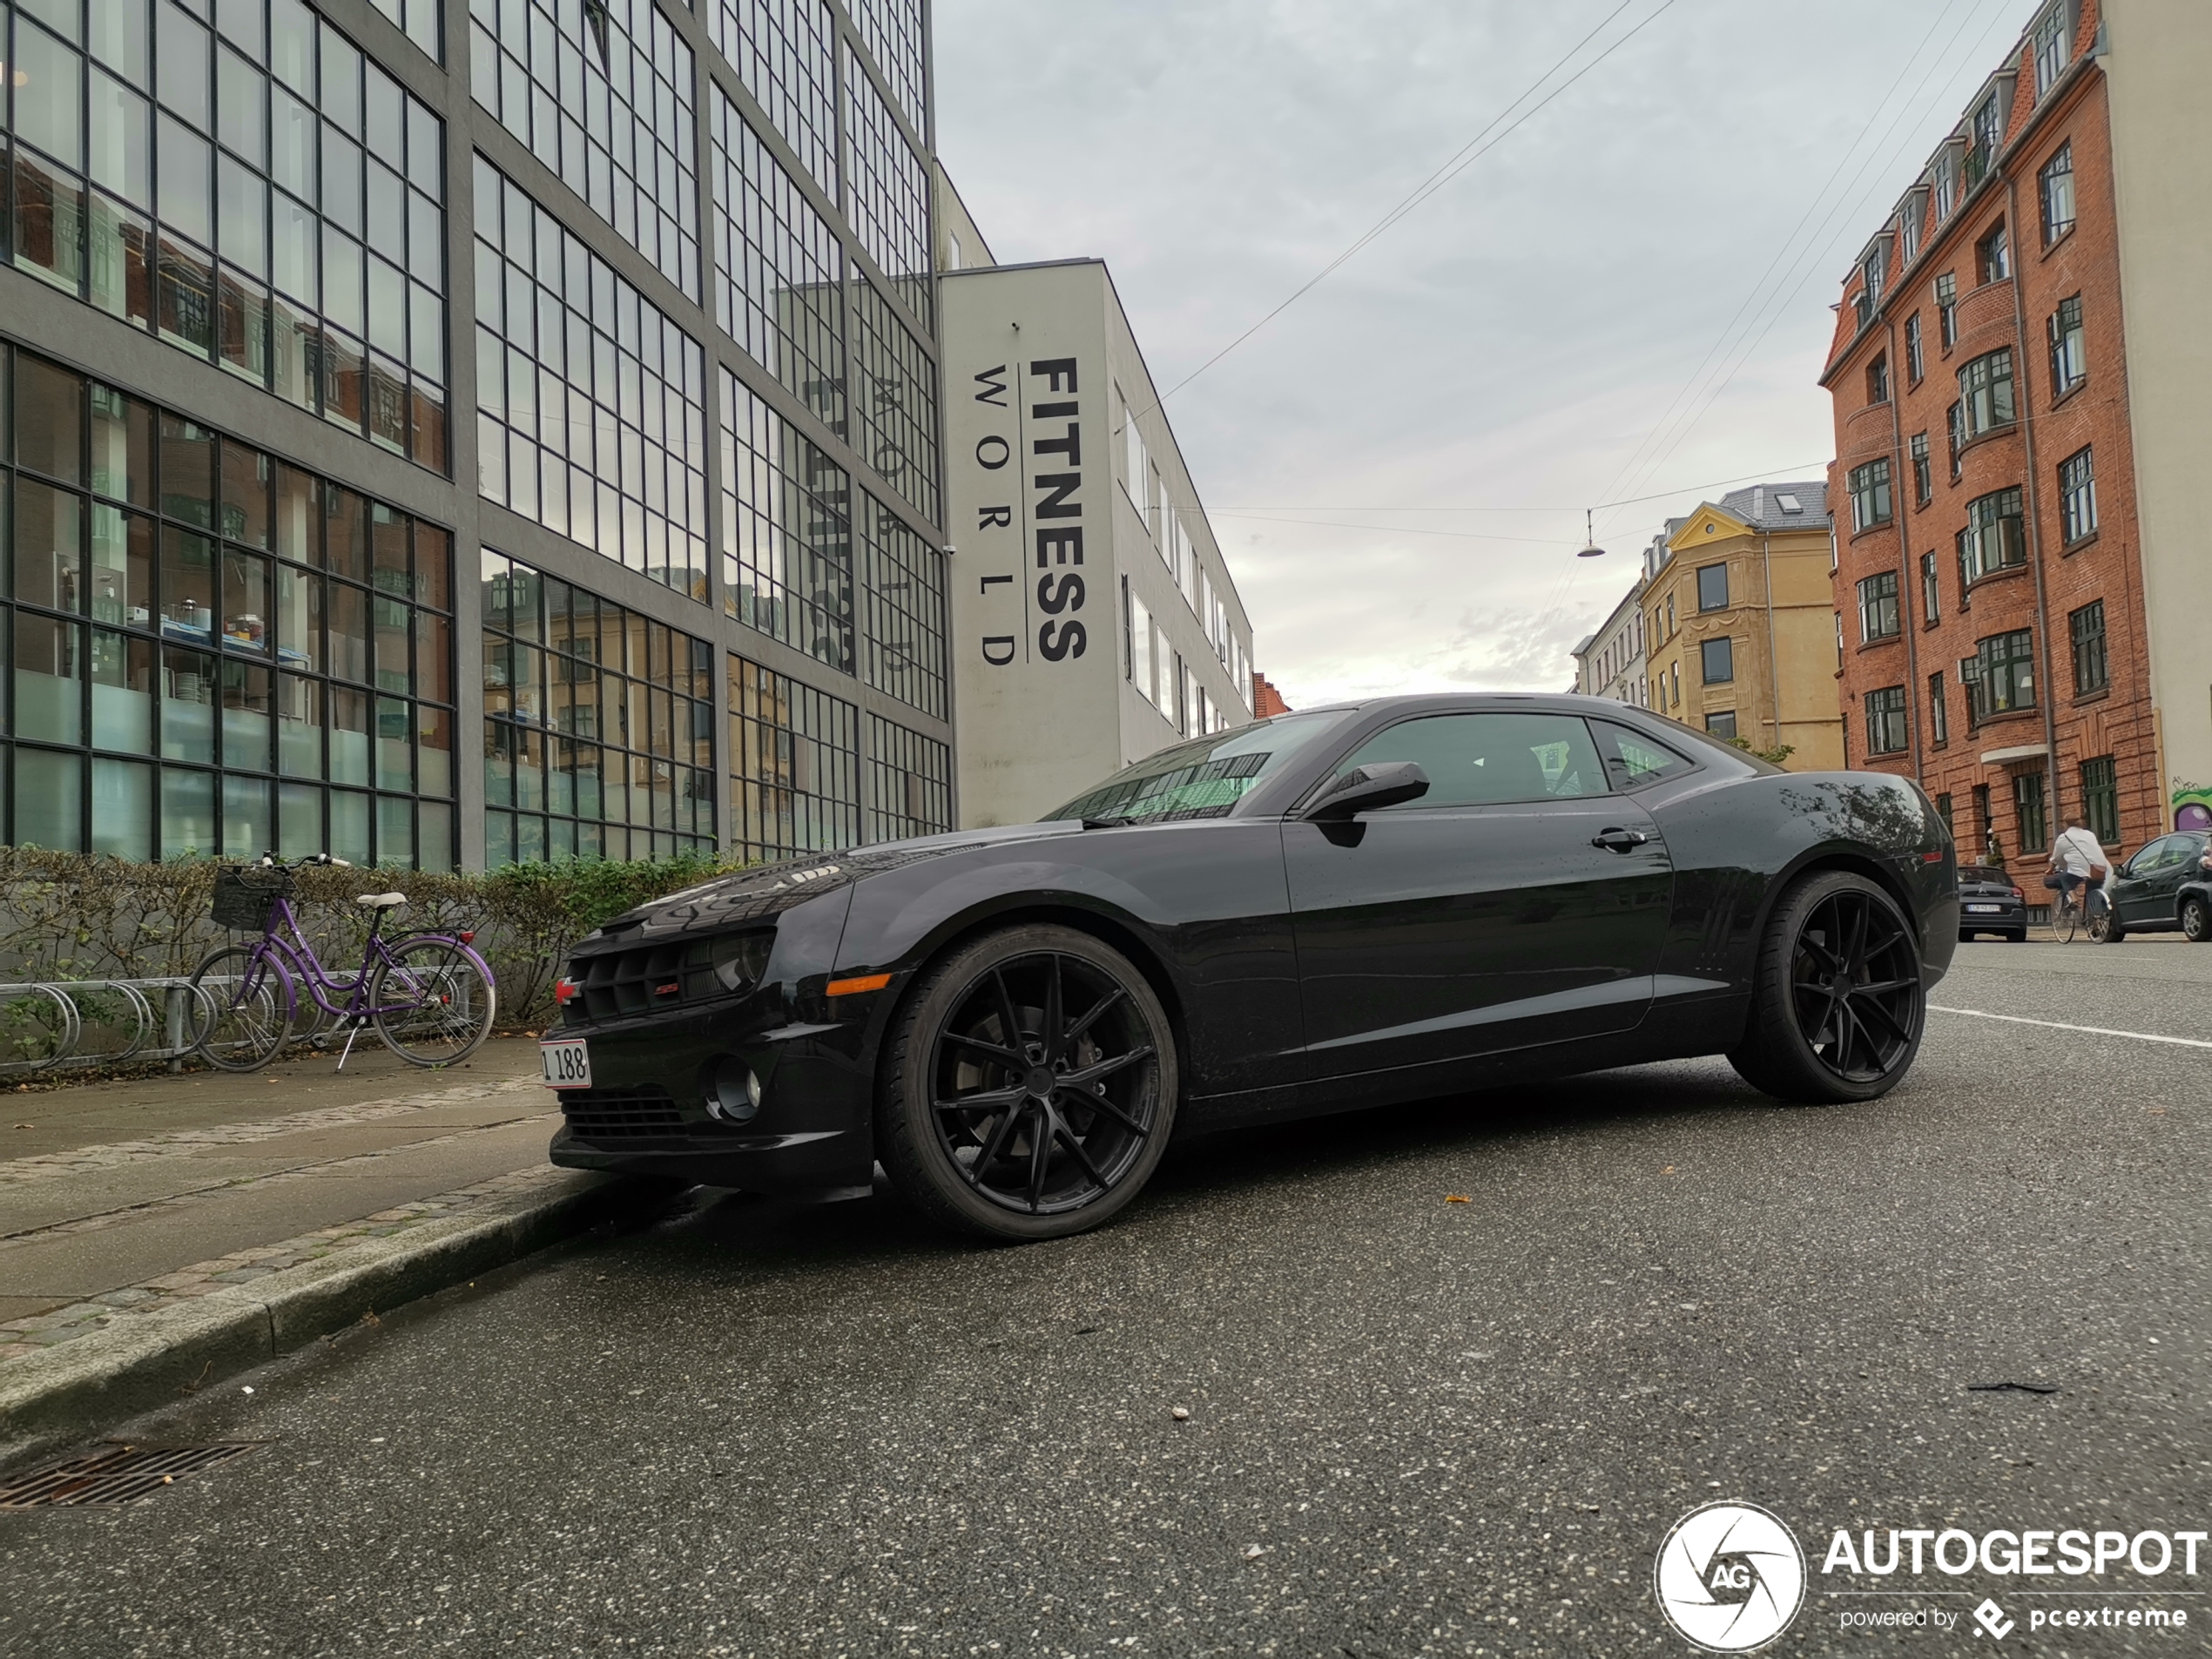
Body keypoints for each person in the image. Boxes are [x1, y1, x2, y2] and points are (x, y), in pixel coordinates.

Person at [2048, 814, 2108, 924]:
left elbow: (2055, 858)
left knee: (2064, 877)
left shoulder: (2064, 837)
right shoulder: (2090, 834)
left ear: (2065, 824)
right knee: (2092, 888)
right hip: (2098, 868)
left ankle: (2074, 898)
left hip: (2079, 869)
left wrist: (2050, 869)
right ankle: (2095, 918)